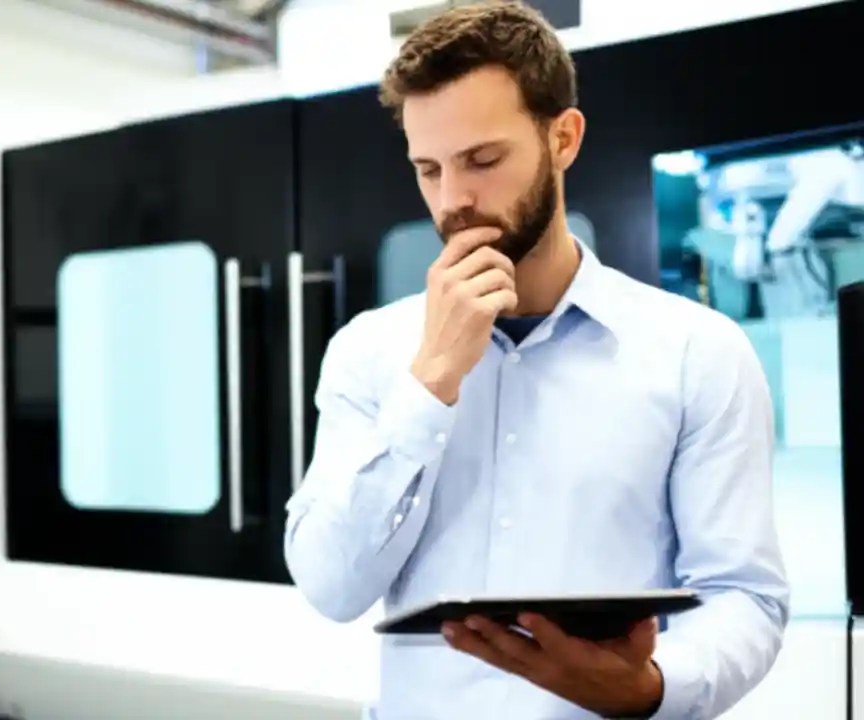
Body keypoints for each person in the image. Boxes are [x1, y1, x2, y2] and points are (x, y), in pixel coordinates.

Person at [282, 2, 790, 719]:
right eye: (428, 169)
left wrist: (651, 687)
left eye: (483, 161)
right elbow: (331, 587)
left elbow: (746, 596)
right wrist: (431, 382)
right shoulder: (370, 353)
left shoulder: (696, 352)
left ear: (564, 138)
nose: (453, 200)